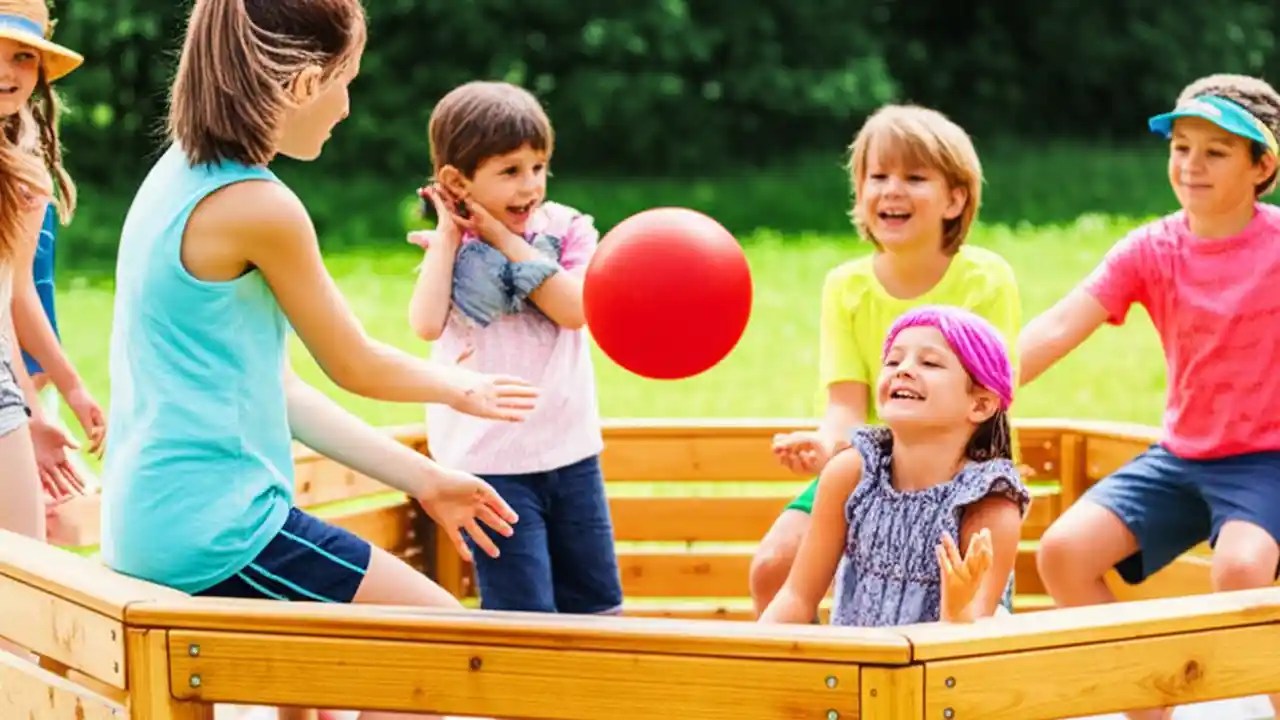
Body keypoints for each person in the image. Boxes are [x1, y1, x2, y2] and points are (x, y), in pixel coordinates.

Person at [100, 3, 539, 719]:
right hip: (222, 538)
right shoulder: (258, 207)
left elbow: (278, 391)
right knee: (452, 651)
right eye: (345, 82)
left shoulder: (176, 177)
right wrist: (459, 385)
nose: (345, 108)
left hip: (159, 522)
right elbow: (355, 363)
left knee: (341, 687)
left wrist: (425, 479)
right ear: (303, 84)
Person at [1022, 73, 1280, 720]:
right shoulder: (1151, 248)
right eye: (1181, 147)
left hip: (1266, 460)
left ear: (1262, 166)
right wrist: (974, 387)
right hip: (1181, 457)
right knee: (1063, 553)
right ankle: (1149, 712)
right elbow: (1056, 327)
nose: (1191, 165)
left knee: (1242, 573)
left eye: (1216, 152)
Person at [750, 104, 1022, 616]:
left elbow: (991, 391)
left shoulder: (986, 278)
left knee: (952, 592)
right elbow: (846, 405)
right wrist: (826, 445)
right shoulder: (846, 286)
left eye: (914, 177)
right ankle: (801, 684)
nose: (891, 190)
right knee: (773, 564)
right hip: (868, 462)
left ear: (955, 198)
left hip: (952, 459)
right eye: (878, 176)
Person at [406, 80, 623, 616]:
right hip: (490, 464)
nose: (530, 186)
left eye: (538, 167)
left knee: (596, 608)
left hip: (570, 451)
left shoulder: (568, 229)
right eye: (509, 172)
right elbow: (425, 324)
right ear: (459, 181)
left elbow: (574, 309)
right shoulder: (451, 250)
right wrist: (451, 237)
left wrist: (504, 239)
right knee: (521, 615)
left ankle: (588, 703)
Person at [759, 305, 1031, 626]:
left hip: (944, 669)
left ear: (981, 404)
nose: (903, 369)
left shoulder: (988, 504)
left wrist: (957, 610)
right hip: (854, 670)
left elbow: (969, 639)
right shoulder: (851, 473)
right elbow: (797, 597)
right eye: (893, 361)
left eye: (929, 362)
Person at [0, 0, 100, 543]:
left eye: (22, 56)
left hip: (17, 383)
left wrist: (68, 387)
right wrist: (31, 407)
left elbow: (14, 295)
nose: (6, 72)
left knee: (49, 539)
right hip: (13, 389)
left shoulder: (22, 156)